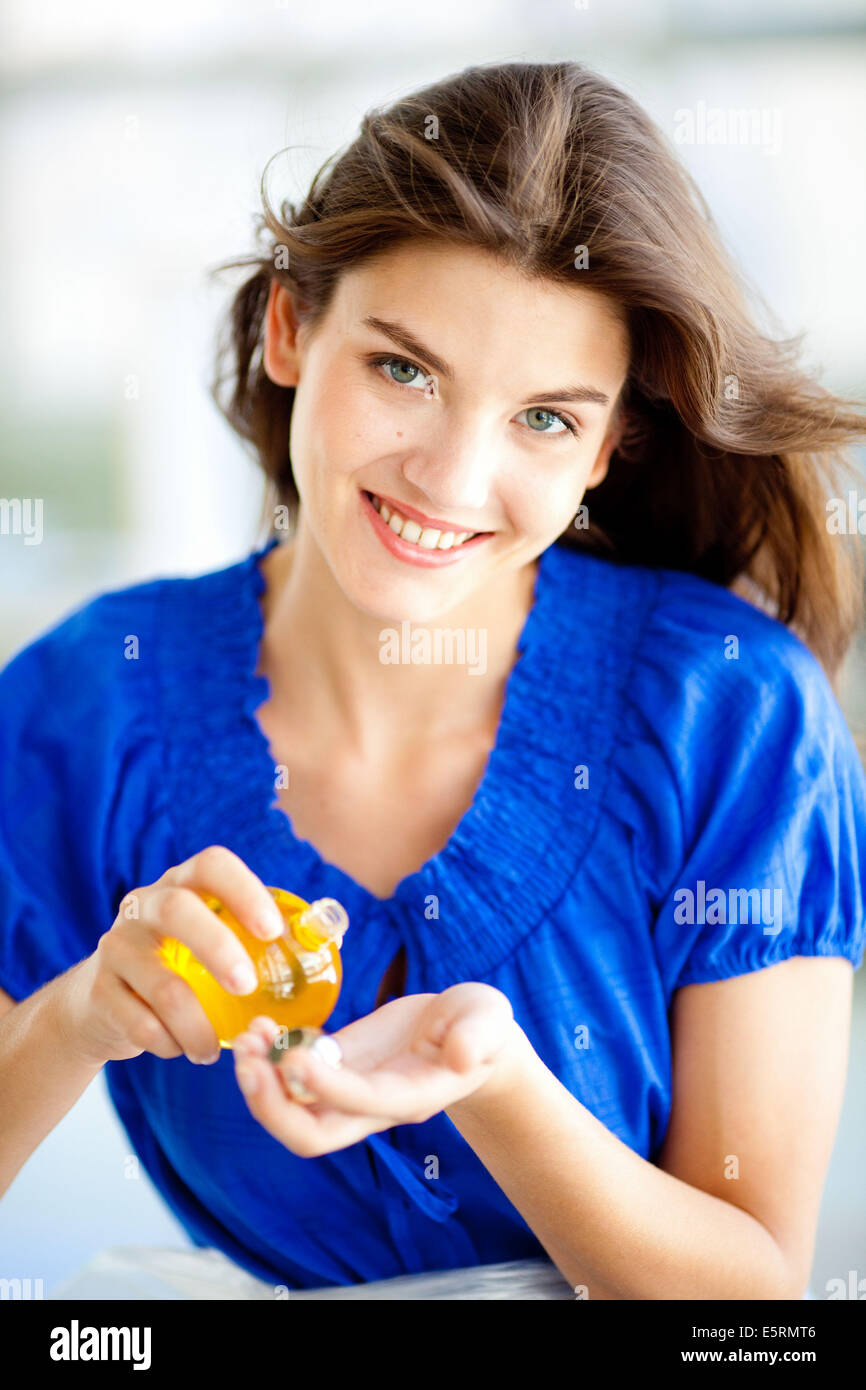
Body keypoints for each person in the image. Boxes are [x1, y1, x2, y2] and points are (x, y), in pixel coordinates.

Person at [1, 60, 865, 1300]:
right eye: (403, 370)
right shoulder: (83, 708)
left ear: (606, 448)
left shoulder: (735, 715)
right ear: (289, 328)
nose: (449, 480)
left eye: (544, 418)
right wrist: (74, 1015)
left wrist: (497, 1088)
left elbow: (749, 1304)